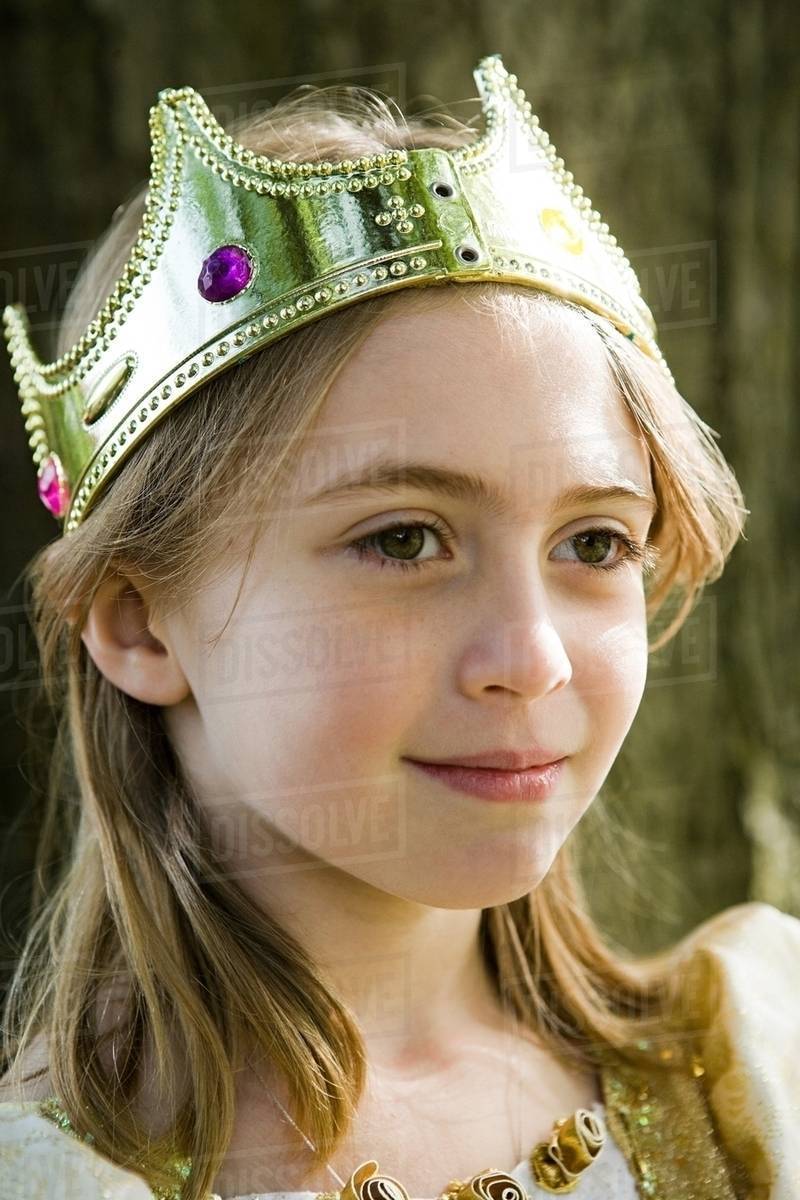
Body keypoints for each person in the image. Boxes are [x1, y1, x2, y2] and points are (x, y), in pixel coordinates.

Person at [1, 52, 798, 1200]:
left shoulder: (752, 1087)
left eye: (593, 544)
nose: (530, 660)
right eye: (402, 541)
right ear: (140, 624)